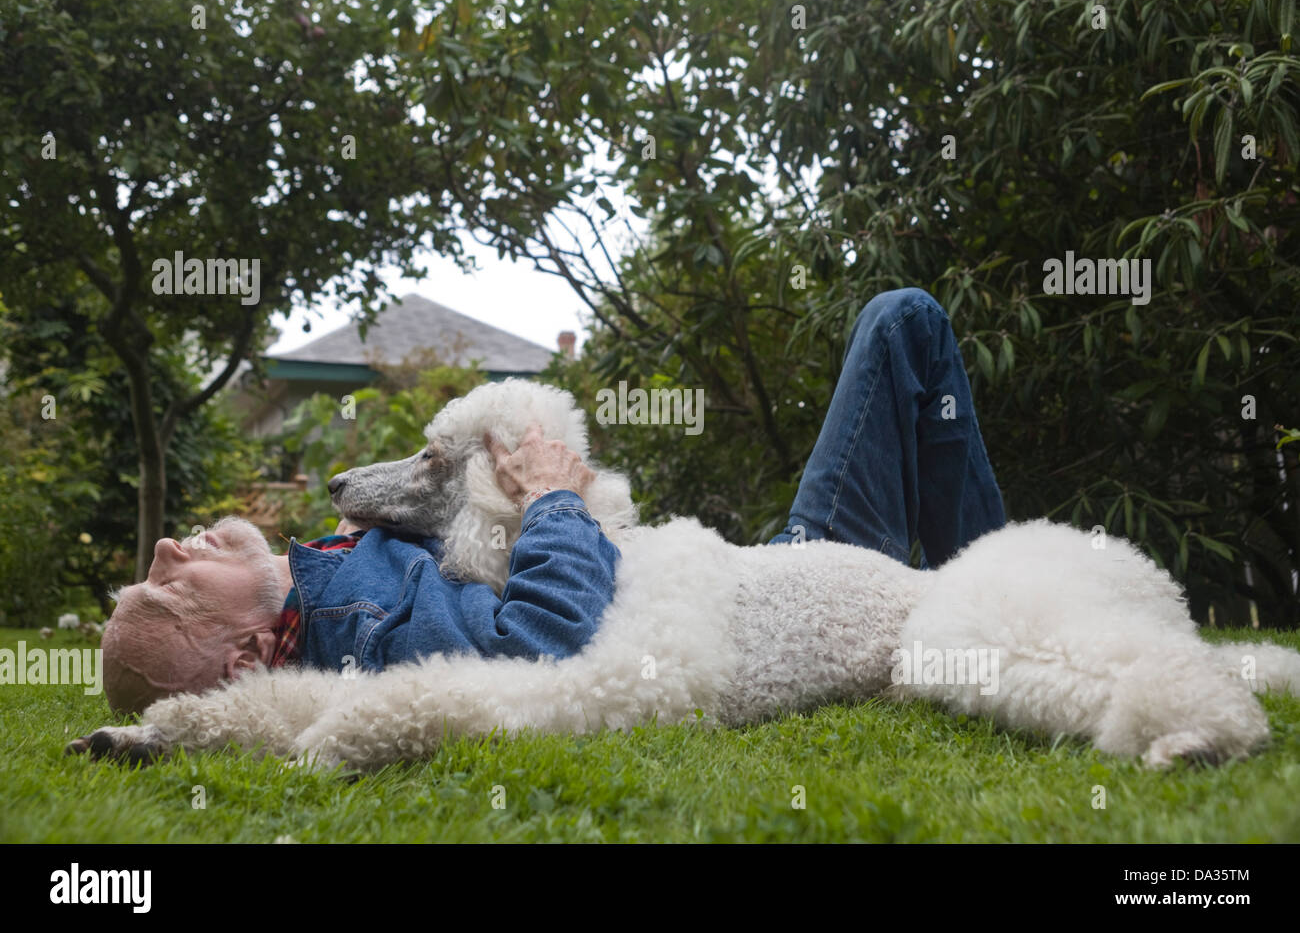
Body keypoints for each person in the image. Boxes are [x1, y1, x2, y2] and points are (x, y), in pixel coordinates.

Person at [101, 287, 1005, 714]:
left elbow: (413, 507)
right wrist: (550, 502)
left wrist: (364, 514)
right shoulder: (362, 634)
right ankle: (994, 599)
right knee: (905, 322)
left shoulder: (330, 583)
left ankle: (972, 596)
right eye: (168, 595)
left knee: (903, 323)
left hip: (757, 567)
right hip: (772, 591)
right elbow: (537, 641)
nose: (168, 552)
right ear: (247, 661)